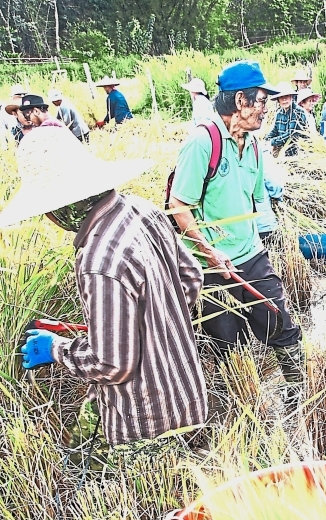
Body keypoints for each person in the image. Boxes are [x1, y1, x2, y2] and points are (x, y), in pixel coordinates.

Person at [0, 126, 207, 449]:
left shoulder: (99, 261)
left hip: (145, 423)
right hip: (188, 395)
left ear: (59, 210)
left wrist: (55, 348)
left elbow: (111, 364)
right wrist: (151, 321)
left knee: (152, 485)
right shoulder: (143, 210)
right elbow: (192, 276)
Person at [168, 60, 304, 410]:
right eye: (261, 100)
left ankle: (300, 395)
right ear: (241, 100)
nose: (265, 109)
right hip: (209, 266)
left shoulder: (254, 145)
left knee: (280, 322)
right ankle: (241, 408)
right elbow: (178, 205)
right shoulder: (203, 142)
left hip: (251, 255)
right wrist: (210, 252)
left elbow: (255, 199)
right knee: (227, 341)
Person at [265, 82, 308, 157]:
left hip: (298, 154)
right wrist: (266, 139)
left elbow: (292, 135)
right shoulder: (279, 113)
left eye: (286, 96)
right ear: (278, 100)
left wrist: (273, 142)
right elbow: (275, 131)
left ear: (291, 97)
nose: (284, 99)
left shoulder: (298, 112)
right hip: (284, 153)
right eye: (281, 97)